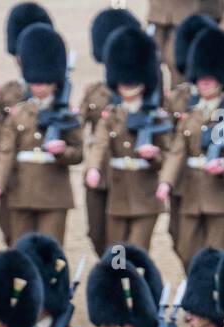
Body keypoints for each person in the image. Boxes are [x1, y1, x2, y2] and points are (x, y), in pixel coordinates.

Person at [157, 26, 224, 268]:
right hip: (191, 192)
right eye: (202, 78)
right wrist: (166, 182)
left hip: (220, 195)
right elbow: (177, 151)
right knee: (186, 251)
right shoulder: (191, 113)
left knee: (217, 258)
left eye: (211, 79)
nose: (205, 83)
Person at [0, 24, 83, 246]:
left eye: (45, 82)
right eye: (35, 82)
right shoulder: (19, 114)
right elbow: (5, 153)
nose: (39, 87)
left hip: (54, 193)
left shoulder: (67, 115)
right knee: (22, 252)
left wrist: (63, 152)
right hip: (21, 192)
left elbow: (78, 153)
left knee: (50, 253)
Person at [86, 27, 170, 254]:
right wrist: (93, 168)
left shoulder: (157, 117)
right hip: (118, 197)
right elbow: (99, 144)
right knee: (117, 256)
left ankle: (136, 288)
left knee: (136, 253)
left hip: (146, 195)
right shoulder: (112, 116)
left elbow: (169, 152)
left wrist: (155, 157)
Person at [0, 5, 55, 247]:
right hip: (13, 177)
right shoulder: (9, 92)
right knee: (11, 234)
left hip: (45, 180)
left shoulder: (54, 93)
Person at [80, 9, 142, 256]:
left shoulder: (142, 91)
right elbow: (78, 123)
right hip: (99, 172)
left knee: (122, 242)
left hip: (126, 174)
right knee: (97, 234)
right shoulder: (95, 92)